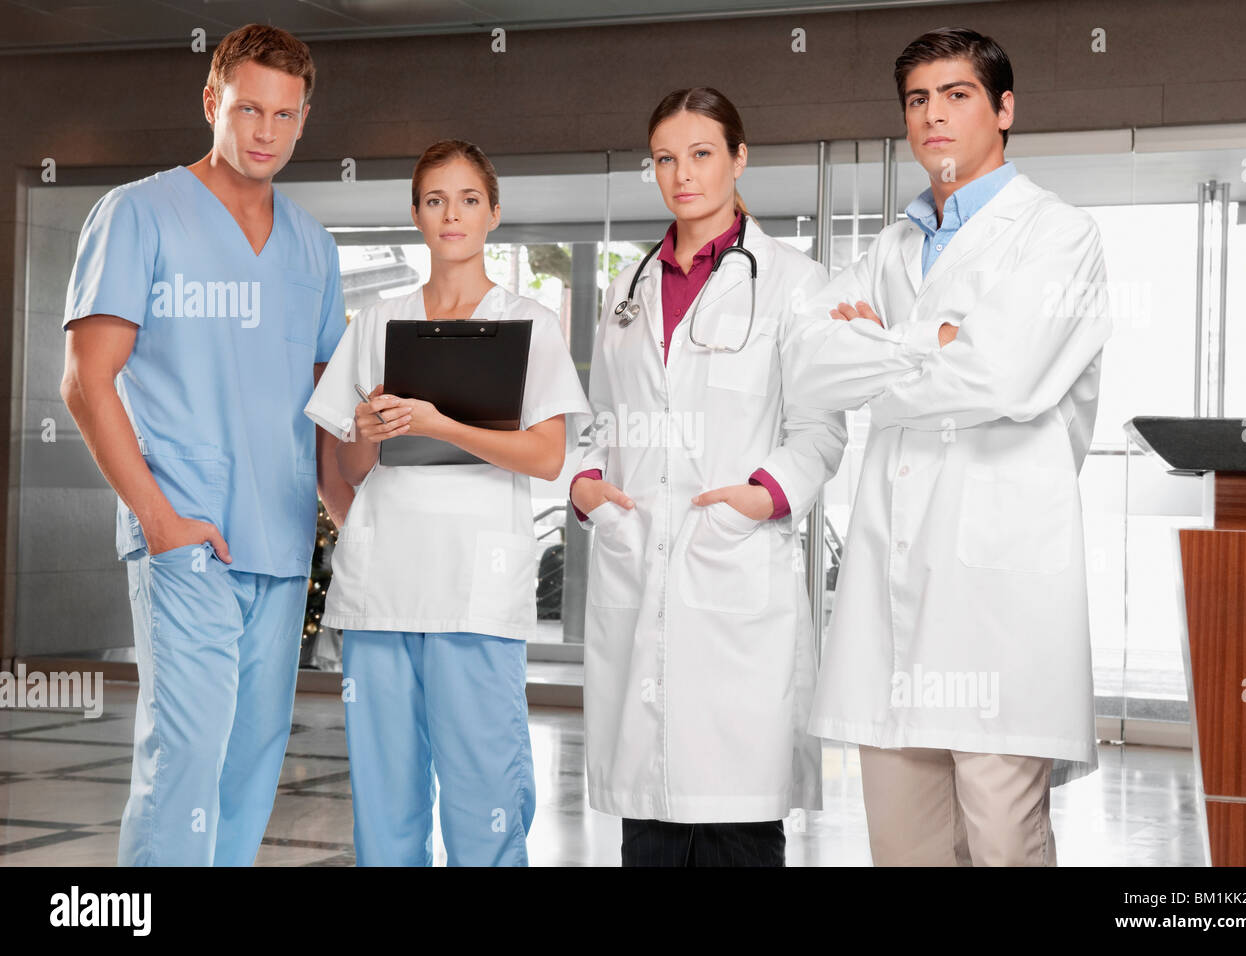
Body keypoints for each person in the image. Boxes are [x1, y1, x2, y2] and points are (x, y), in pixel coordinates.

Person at [784, 27, 1112, 866]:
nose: (934, 115)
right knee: (906, 848)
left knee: (1004, 840)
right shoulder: (889, 248)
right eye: (918, 99)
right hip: (888, 607)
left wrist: (881, 349)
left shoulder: (1059, 236)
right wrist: (932, 338)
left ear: (1004, 109)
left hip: (996, 598)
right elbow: (806, 366)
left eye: (957, 94)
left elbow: (1000, 376)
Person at [59, 24, 351, 866]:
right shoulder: (139, 214)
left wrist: (354, 528)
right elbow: (85, 381)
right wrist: (157, 518)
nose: (265, 131)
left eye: (285, 114)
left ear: (304, 119)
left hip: (284, 544)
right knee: (185, 758)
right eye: (248, 108)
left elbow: (328, 413)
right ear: (211, 102)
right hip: (188, 537)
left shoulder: (313, 248)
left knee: (254, 765)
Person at [570, 88, 848, 866]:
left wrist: (760, 497)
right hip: (640, 560)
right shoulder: (629, 290)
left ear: (738, 158)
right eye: (666, 157)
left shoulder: (794, 281)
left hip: (733, 574)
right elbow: (598, 419)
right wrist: (587, 484)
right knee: (649, 831)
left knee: (736, 828)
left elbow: (821, 428)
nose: (682, 174)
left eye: (701, 154)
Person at [304, 140, 592, 866]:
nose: (451, 214)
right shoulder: (377, 323)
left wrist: (440, 424)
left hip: (475, 595)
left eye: (468, 199)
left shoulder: (528, 323)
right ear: (415, 214)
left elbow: (547, 454)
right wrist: (367, 432)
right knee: (385, 802)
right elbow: (346, 462)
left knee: (484, 796)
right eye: (435, 200)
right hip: (381, 596)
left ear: (494, 213)